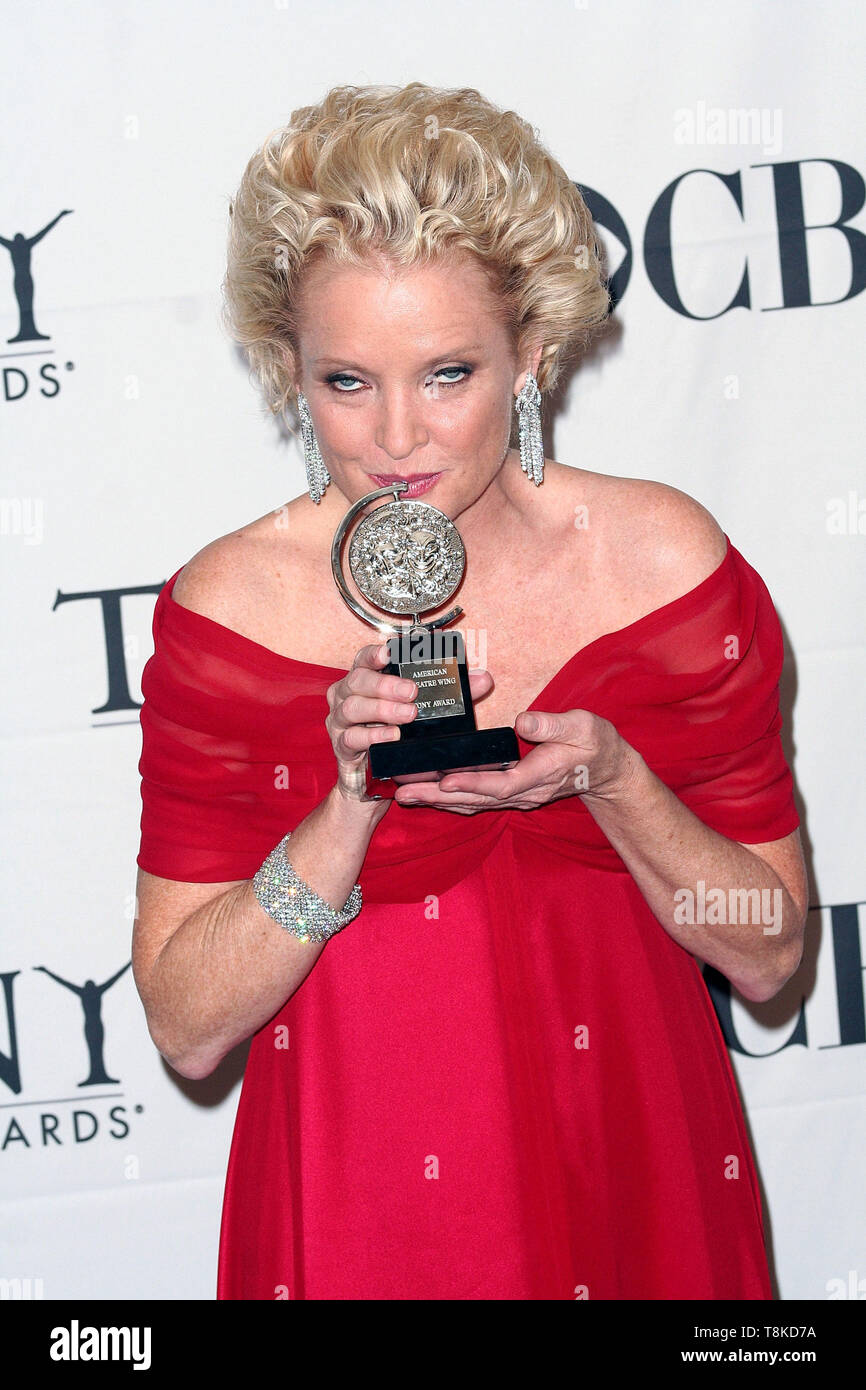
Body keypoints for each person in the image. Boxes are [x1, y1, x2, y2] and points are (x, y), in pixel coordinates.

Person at [132, 82, 808, 1300]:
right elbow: (185, 1028)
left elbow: (765, 957)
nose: (396, 436)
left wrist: (614, 779)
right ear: (292, 371)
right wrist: (346, 806)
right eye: (346, 382)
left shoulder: (662, 565)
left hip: (636, 1173)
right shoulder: (227, 613)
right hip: (366, 1204)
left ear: (532, 356)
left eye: (446, 373)